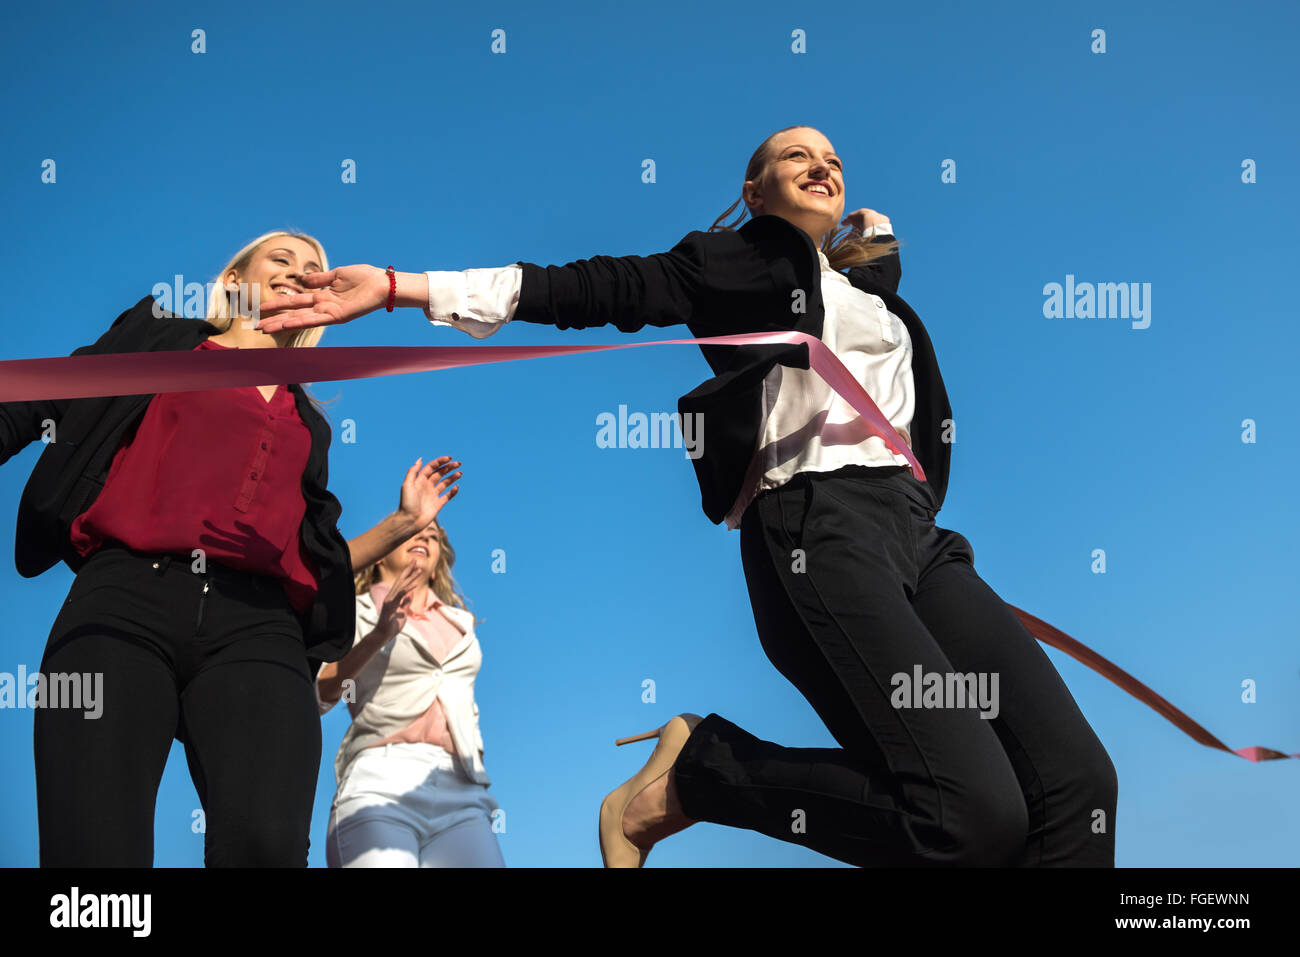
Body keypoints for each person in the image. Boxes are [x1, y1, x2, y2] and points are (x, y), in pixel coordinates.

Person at [257, 126, 1119, 868]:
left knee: (1078, 785)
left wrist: (873, 247)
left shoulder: (882, 303)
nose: (821, 164)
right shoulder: (737, 265)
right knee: (971, 816)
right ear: (754, 190)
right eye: (794, 156)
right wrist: (408, 285)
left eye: (831, 156)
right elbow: (596, 287)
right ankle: (700, 772)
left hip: (922, 543)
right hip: (819, 532)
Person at [0, 230, 459, 866]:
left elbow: (314, 565)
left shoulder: (310, 425)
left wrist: (403, 524)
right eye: (282, 259)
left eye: (313, 270)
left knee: (265, 846)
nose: (299, 273)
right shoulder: (163, 338)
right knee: (95, 857)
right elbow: (49, 394)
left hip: (260, 631)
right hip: (125, 599)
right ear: (236, 278)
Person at [317, 506, 504, 868]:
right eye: (413, 530)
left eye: (432, 535)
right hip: (382, 779)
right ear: (379, 554)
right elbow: (322, 693)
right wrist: (380, 634)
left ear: (437, 562)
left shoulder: (461, 623)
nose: (423, 537)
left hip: (460, 785)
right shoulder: (356, 612)